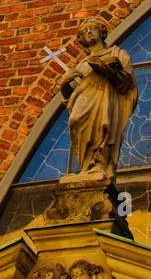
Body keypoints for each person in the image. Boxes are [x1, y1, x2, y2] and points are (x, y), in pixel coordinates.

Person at [53, 18, 137, 178]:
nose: (89, 32)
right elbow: (70, 96)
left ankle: (100, 165)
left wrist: (109, 71)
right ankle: (86, 167)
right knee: (75, 120)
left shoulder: (118, 54)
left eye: (92, 28)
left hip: (105, 100)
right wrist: (64, 85)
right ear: (82, 40)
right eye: (85, 32)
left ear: (102, 32)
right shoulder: (82, 64)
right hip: (85, 101)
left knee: (104, 126)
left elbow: (126, 82)